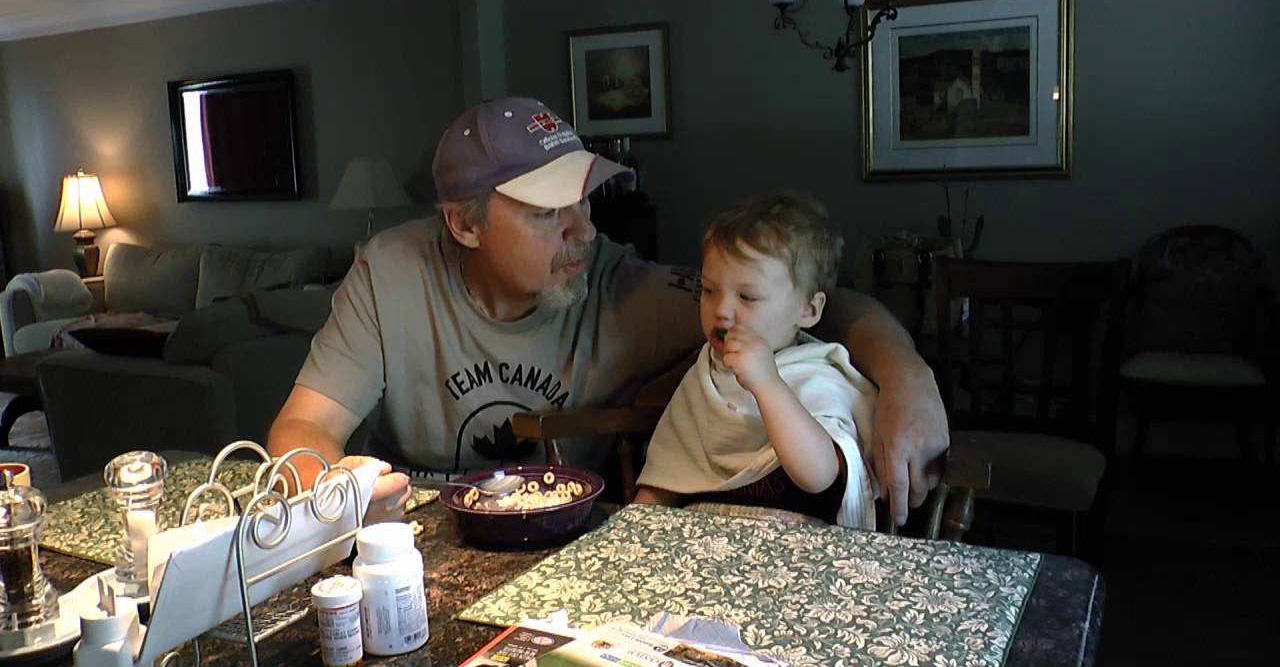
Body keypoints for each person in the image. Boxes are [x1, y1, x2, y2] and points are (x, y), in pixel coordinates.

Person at [266, 97, 947, 526]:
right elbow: (300, 428)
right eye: (546, 215)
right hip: (414, 545)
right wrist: (341, 493)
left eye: (583, 201)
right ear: (464, 226)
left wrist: (909, 380)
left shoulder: (621, 286)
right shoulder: (390, 272)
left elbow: (818, 308)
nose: (584, 232)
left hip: (557, 548)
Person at [634, 194, 877, 527]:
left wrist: (767, 384)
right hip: (702, 549)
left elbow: (819, 475)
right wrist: (633, 530)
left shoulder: (819, 374)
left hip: (793, 551)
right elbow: (664, 480)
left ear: (809, 310)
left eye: (747, 296)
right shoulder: (705, 376)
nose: (721, 310)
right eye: (709, 290)